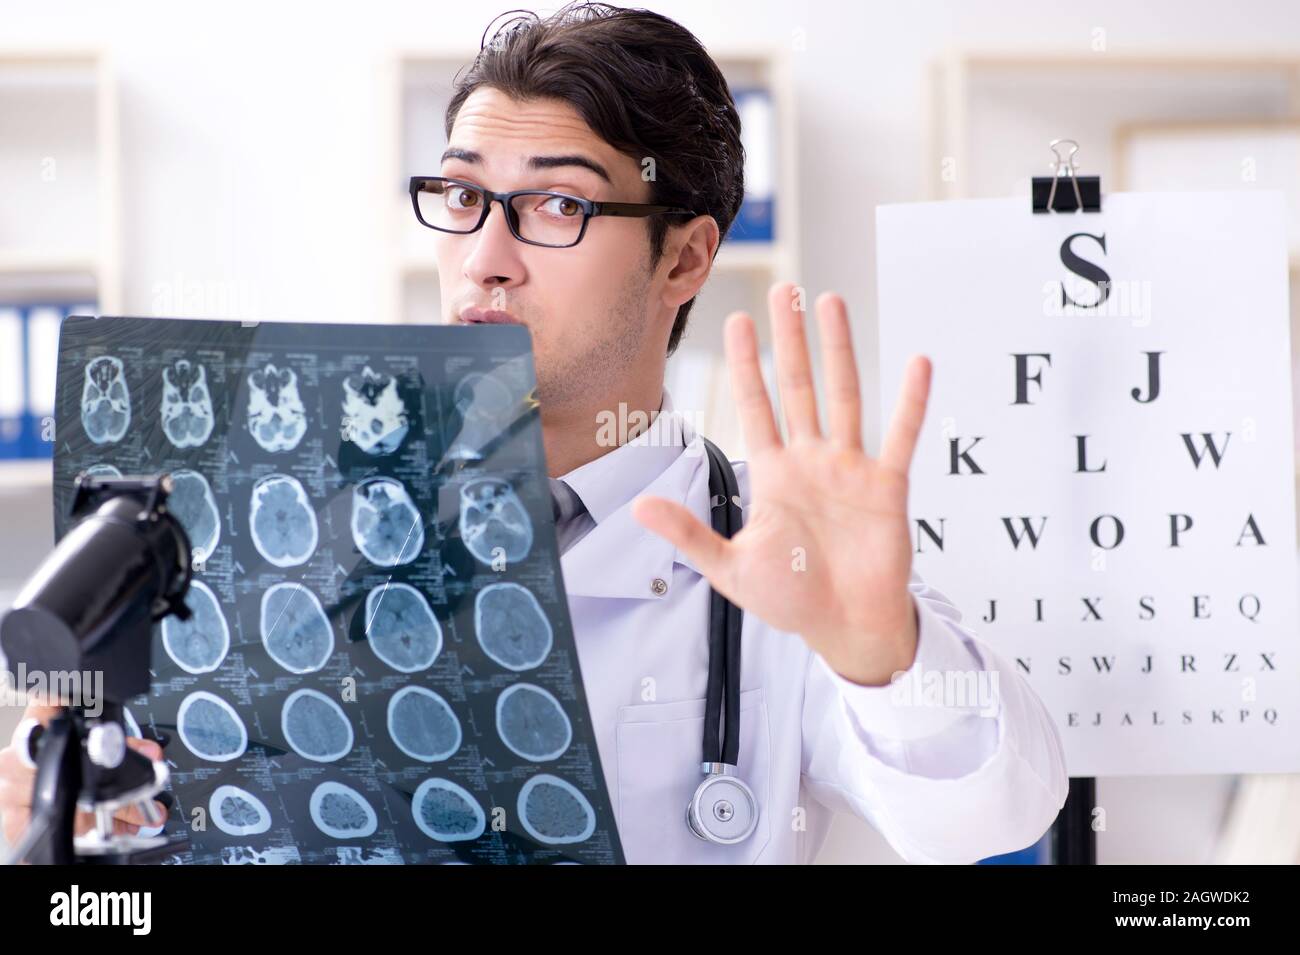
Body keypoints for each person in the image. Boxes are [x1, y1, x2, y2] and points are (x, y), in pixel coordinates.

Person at [0, 2, 1067, 864]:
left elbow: (987, 814)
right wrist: (61, 825)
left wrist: (880, 651)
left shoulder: (781, 568)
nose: (484, 258)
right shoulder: (249, 536)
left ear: (687, 259)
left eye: (556, 207)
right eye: (462, 197)